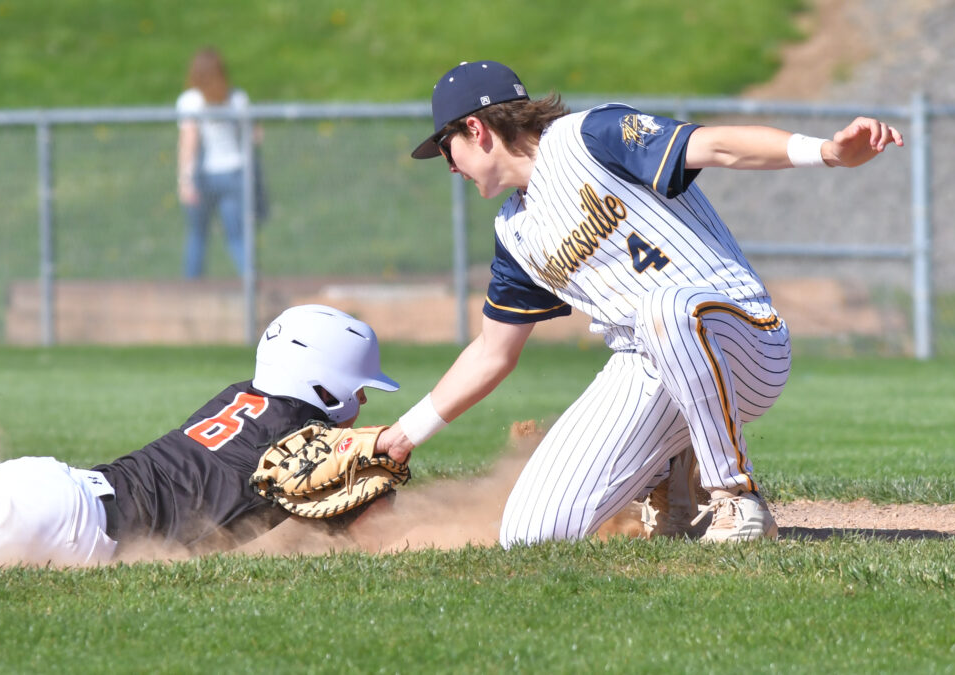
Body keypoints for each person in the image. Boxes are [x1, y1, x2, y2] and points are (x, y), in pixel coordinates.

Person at [375, 60, 903, 546]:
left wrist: (827, 153)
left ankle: (736, 499)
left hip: (742, 337)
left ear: (476, 128)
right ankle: (668, 469)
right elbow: (493, 351)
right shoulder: (514, 231)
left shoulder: (589, 136)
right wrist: (402, 436)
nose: (448, 166)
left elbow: (716, 146)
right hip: (648, 365)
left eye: (446, 148)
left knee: (663, 308)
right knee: (532, 533)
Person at [0, 305, 399, 572]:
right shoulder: (301, 444)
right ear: (322, 384)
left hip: (55, 494)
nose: (363, 402)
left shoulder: (242, 396)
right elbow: (382, 539)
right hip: (65, 526)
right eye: (356, 389)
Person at [176, 47, 259, 278]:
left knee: (197, 236)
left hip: (203, 176)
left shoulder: (190, 101)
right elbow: (255, 135)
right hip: (235, 173)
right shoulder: (237, 98)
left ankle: (191, 292)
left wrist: (184, 180)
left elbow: (189, 141)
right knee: (236, 237)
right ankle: (251, 285)